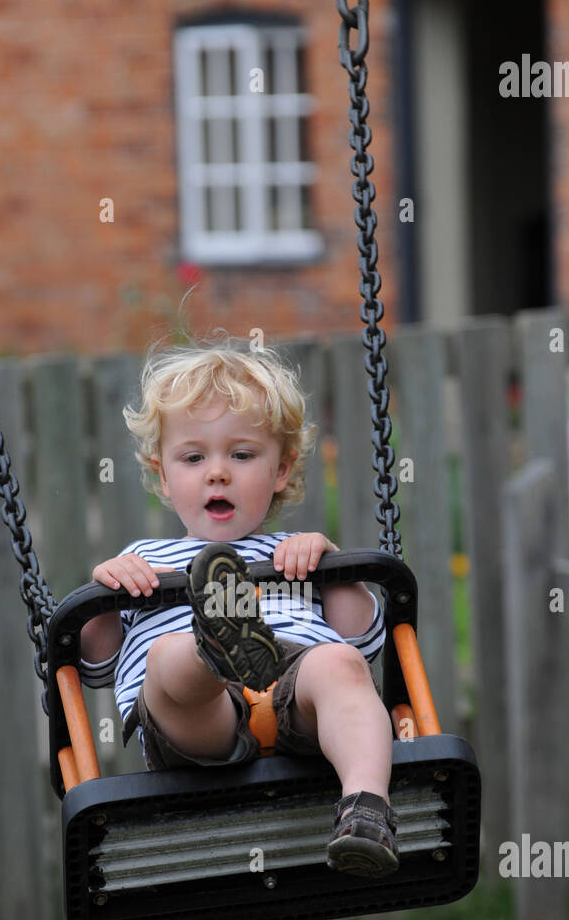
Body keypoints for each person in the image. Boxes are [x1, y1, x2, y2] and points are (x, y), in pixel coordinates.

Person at [79, 339, 399, 876]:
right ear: (164, 474)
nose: (218, 472)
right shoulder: (143, 561)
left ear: (281, 470)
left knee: (339, 664)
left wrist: (335, 569)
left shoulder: (295, 552)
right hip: (195, 722)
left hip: (294, 686)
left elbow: (365, 641)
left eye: (242, 455)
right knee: (169, 659)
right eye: (194, 457)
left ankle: (366, 808)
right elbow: (93, 663)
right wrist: (106, 597)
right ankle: (215, 646)